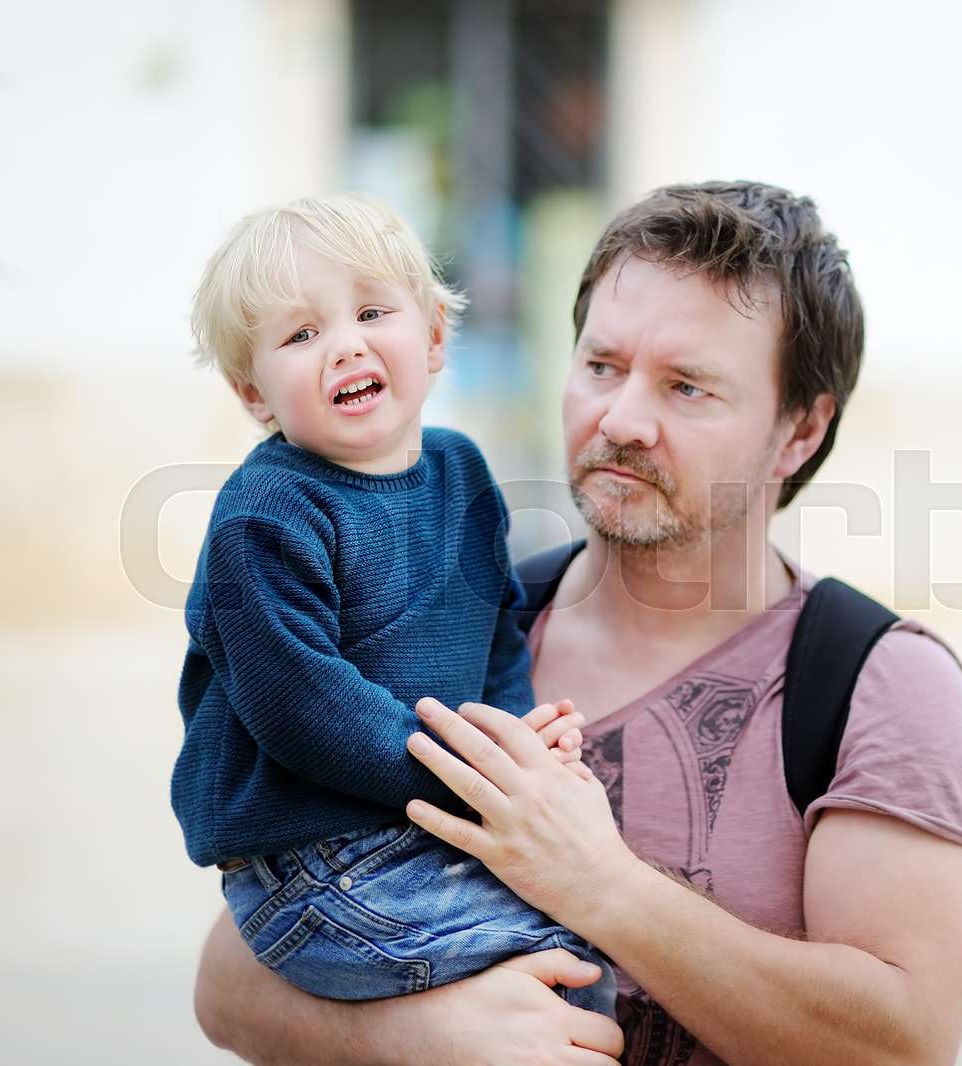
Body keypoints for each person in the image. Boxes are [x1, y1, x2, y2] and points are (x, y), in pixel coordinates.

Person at [193, 181, 962, 1065]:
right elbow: (226, 981)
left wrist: (602, 887)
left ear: (800, 431)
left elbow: (899, 1046)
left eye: (687, 387)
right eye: (602, 367)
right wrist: (415, 1035)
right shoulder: (472, 612)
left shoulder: (881, 690)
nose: (619, 421)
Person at [174, 193, 613, 1012]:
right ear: (254, 394)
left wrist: (515, 747)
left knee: (592, 935)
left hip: (420, 827)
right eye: (301, 335)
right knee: (561, 965)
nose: (344, 345)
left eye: (372, 312)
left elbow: (497, 639)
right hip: (310, 861)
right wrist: (474, 778)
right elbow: (304, 707)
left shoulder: (460, 473)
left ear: (436, 339)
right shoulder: (264, 516)